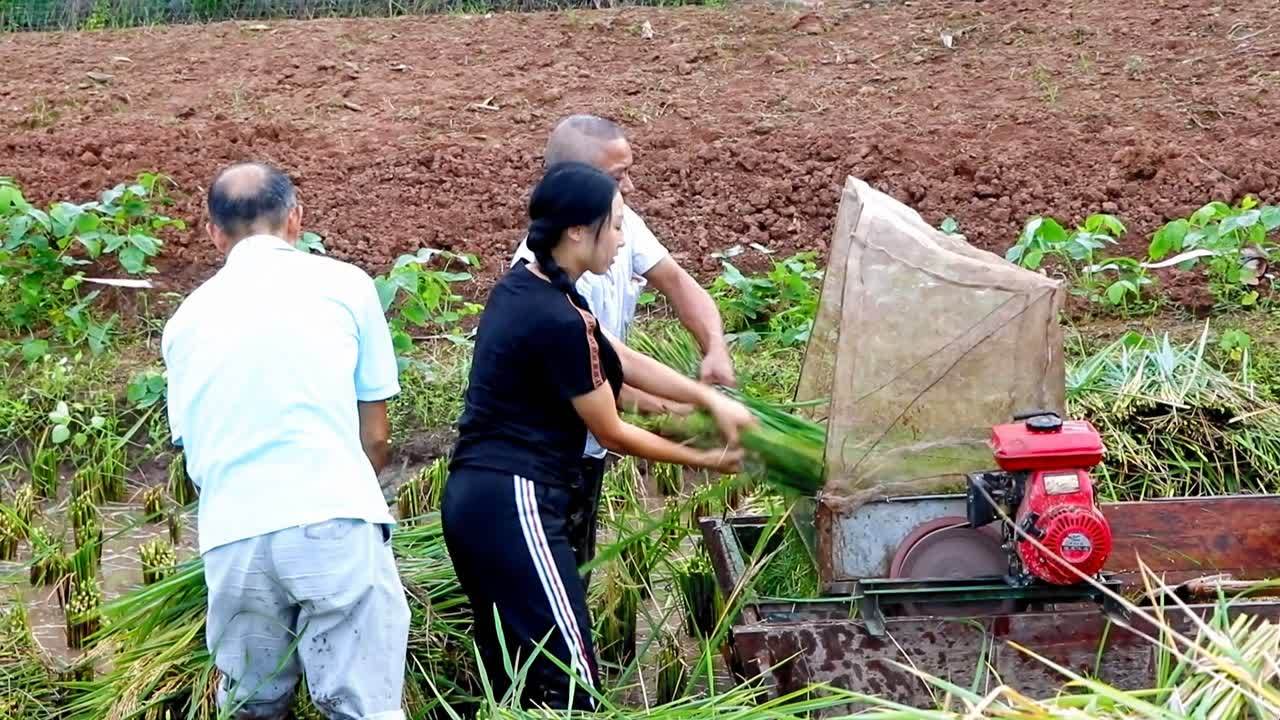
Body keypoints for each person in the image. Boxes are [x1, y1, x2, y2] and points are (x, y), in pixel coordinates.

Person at [443, 161, 755, 710]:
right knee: (571, 677)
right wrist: (705, 457)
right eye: (613, 225)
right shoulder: (554, 316)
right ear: (576, 232)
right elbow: (611, 430)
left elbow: (616, 355)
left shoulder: (531, 288)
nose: (620, 239)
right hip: (516, 501)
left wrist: (705, 398)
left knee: (514, 672)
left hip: (478, 498)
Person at [162, 162, 410, 720]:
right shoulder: (345, 284)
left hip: (232, 537)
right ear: (295, 218)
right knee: (361, 708)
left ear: (214, 233)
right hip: (332, 517)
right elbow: (376, 434)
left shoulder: (184, 320)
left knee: (253, 704)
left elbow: (194, 452)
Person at [511, 114, 737, 583]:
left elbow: (674, 280)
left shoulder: (615, 225)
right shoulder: (544, 287)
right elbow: (607, 378)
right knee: (559, 587)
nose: (630, 188)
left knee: (571, 578)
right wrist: (693, 428)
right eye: (618, 177)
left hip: (586, 446)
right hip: (550, 458)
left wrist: (714, 348)